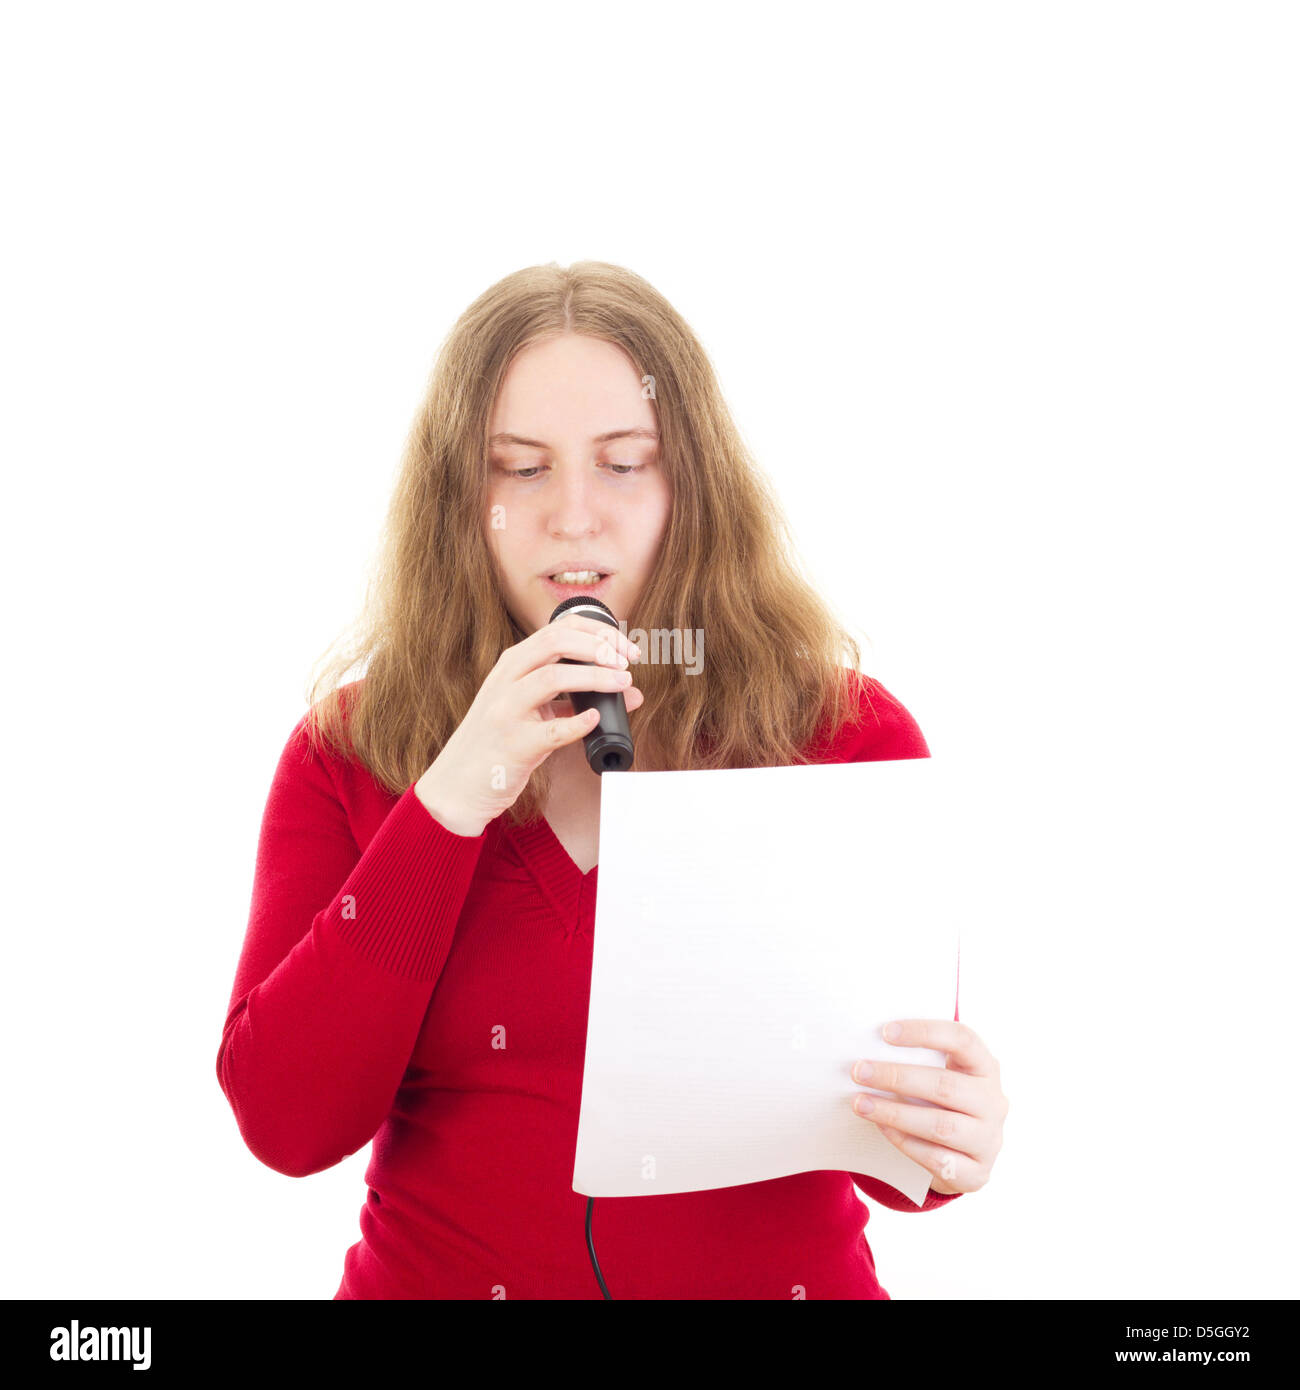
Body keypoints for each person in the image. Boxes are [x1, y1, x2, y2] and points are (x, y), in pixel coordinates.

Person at [216, 261, 1008, 1300]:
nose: (575, 518)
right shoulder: (346, 750)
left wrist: (954, 1141)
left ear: (692, 483)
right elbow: (287, 1124)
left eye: (624, 464)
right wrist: (452, 799)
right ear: (460, 495)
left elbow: (900, 1150)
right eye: (520, 468)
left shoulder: (842, 734)